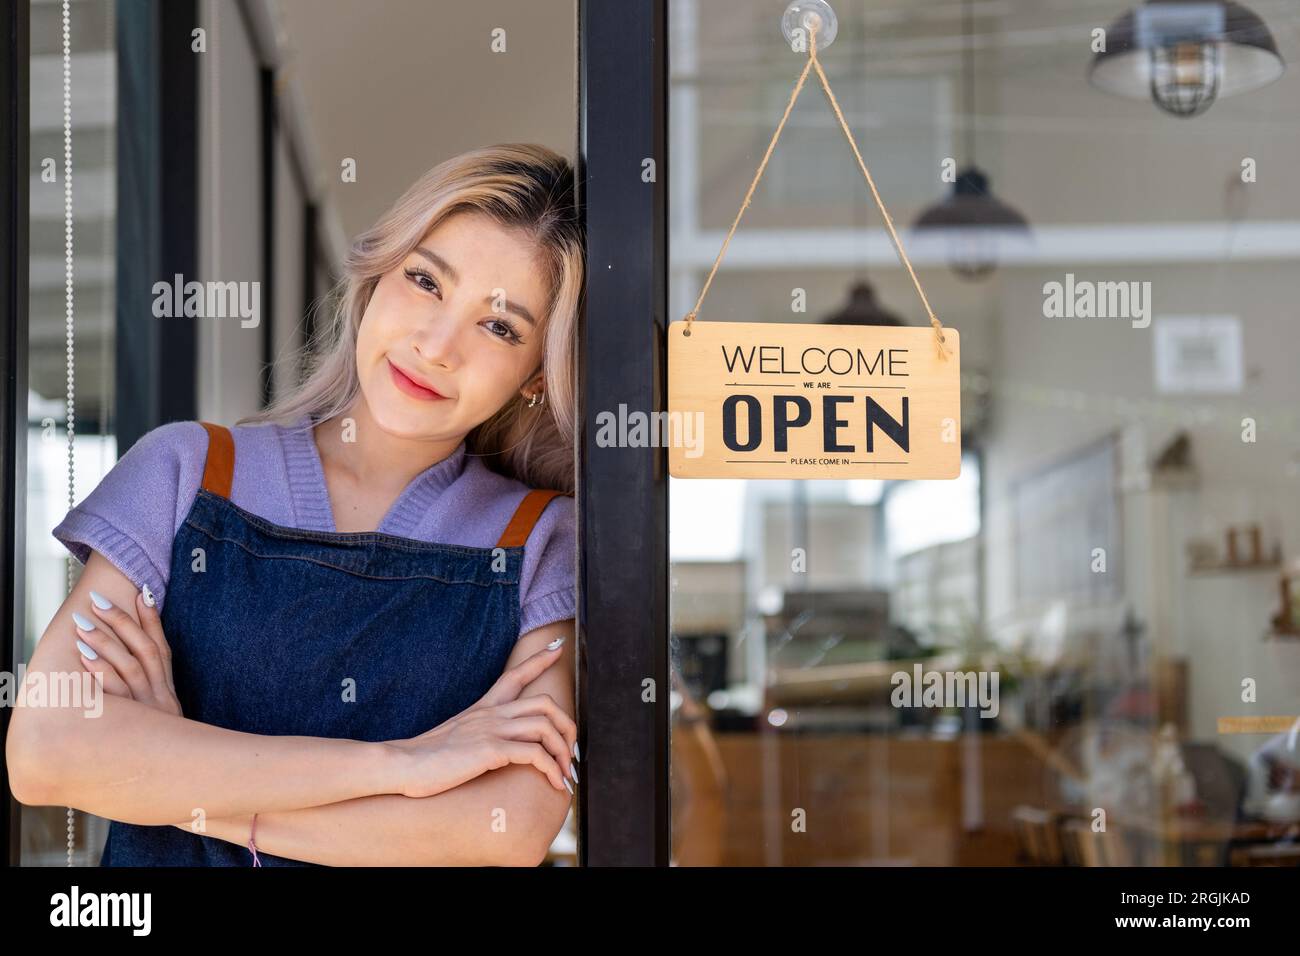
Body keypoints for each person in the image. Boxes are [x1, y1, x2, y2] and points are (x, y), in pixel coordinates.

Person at [7, 143, 583, 867]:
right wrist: (403, 766)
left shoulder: (536, 540)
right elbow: (47, 753)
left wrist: (178, 784)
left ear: (536, 374)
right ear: (376, 279)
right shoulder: (186, 472)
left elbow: (508, 828)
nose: (438, 346)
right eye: (426, 282)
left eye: (500, 327)